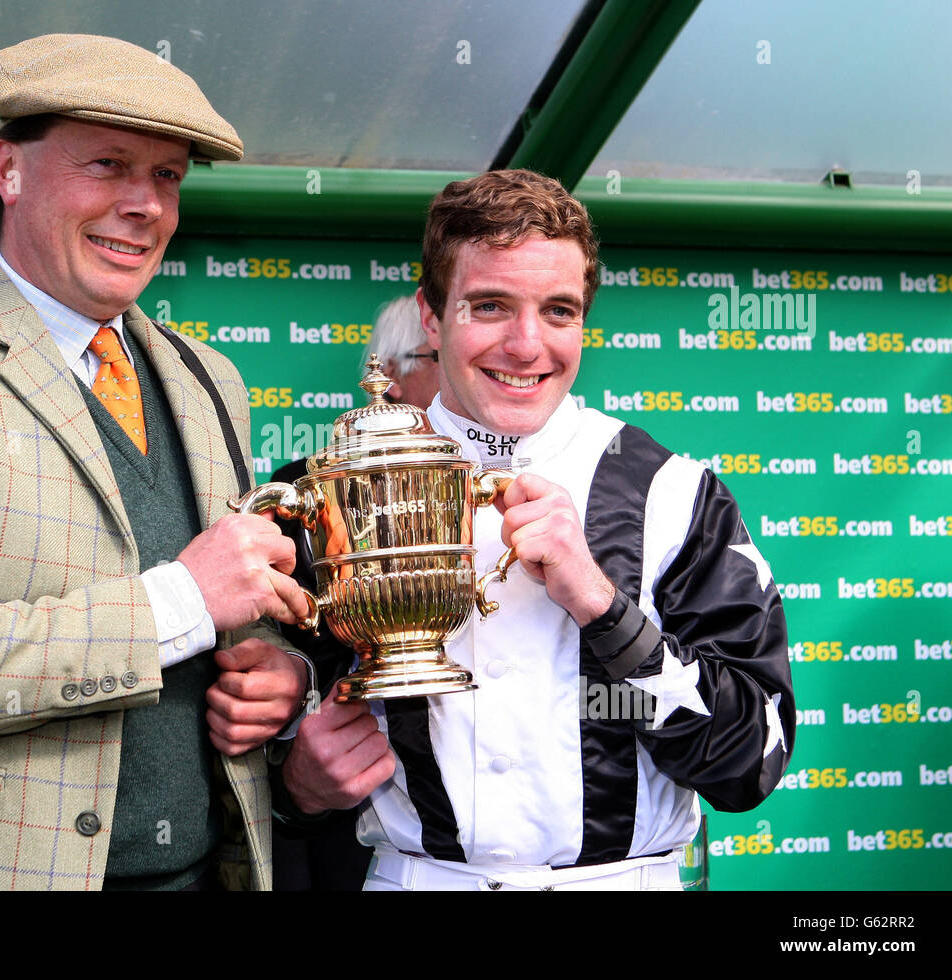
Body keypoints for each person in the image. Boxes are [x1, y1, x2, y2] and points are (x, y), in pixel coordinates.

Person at [0, 34, 314, 891]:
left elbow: (230, 612)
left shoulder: (205, 376)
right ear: (9, 170)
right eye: (109, 164)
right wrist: (179, 599)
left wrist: (277, 676)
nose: (144, 204)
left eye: (167, 176)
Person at [278, 169, 795, 890]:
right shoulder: (323, 490)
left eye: (559, 311)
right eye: (489, 306)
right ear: (431, 315)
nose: (527, 346)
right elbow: (254, 742)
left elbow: (751, 763)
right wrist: (295, 783)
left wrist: (603, 608)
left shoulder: (675, 494)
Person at [269, 294, 440, 890]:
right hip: (352, 824)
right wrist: (300, 687)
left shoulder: (513, 491)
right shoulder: (304, 490)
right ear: (388, 373)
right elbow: (272, 650)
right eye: (439, 358)